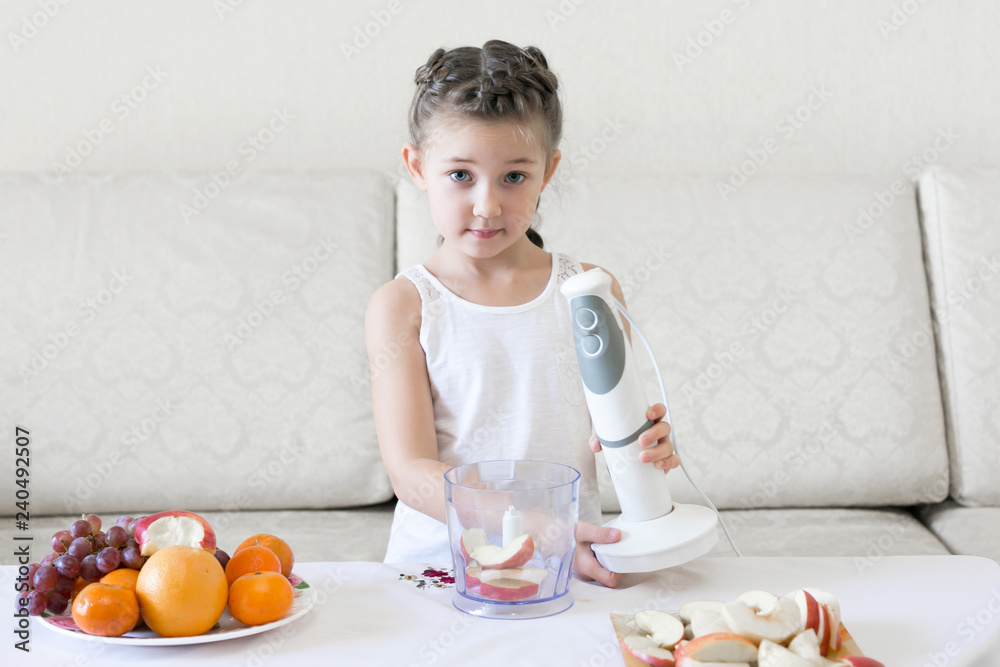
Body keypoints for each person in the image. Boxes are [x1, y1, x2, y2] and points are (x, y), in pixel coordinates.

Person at [365, 40, 680, 588]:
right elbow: (411, 473)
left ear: (547, 170)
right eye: (460, 175)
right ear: (417, 167)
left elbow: (620, 429)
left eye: (513, 177)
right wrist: (536, 525)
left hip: (567, 565)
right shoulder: (405, 304)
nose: (487, 205)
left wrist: (648, 445)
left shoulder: (587, 292)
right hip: (439, 569)